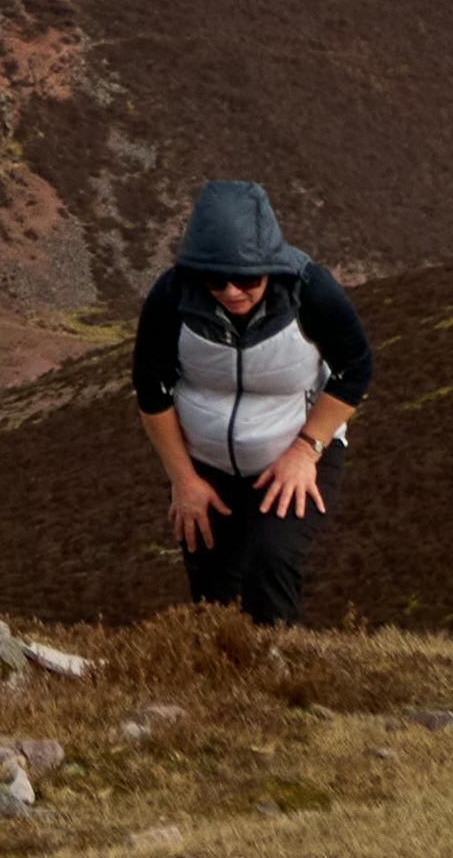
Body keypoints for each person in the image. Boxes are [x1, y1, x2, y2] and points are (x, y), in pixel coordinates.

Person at [131, 179, 374, 627]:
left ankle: (277, 677)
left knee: (271, 561)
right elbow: (151, 389)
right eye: (214, 279)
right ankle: (221, 687)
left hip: (295, 453)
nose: (231, 291)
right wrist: (183, 481)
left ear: (271, 264)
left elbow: (355, 369)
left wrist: (306, 450)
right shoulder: (172, 297)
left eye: (247, 278)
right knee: (211, 591)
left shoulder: (309, 291)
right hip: (204, 464)